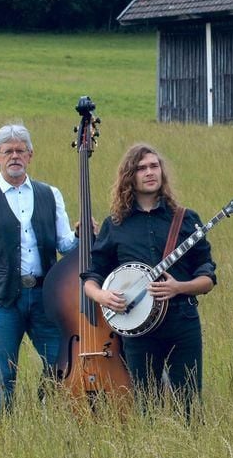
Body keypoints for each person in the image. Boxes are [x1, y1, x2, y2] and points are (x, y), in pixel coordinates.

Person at [82, 143, 215, 420]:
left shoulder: (186, 219)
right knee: (147, 406)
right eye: (141, 168)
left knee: (189, 405)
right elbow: (92, 277)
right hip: (137, 329)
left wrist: (180, 287)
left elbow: (208, 277)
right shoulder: (115, 225)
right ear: (130, 176)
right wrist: (103, 297)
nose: (149, 172)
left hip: (182, 320)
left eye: (154, 166)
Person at [0, 124, 78, 414]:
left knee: (62, 361)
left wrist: (82, 236)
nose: (14, 156)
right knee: (2, 374)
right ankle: (4, 430)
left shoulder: (50, 194)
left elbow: (65, 244)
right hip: (2, 299)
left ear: (30, 155)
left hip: (46, 296)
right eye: (8, 151)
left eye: (20, 150)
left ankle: (45, 409)